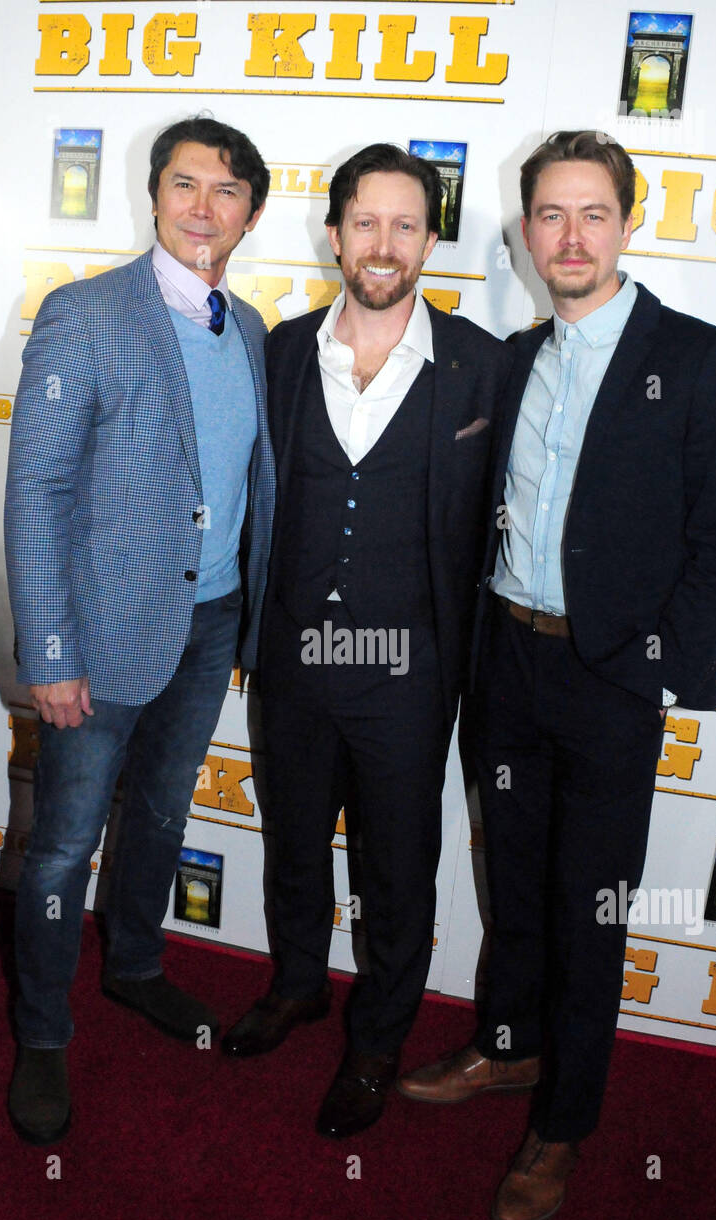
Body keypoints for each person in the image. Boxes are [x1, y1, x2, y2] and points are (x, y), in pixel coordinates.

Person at [398, 130, 716, 1220]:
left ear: (624, 223)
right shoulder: (510, 361)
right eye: (547, 216)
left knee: (587, 907)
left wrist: (651, 664)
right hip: (502, 660)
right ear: (520, 234)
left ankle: (562, 1120)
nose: (567, 235)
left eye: (590, 213)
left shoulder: (701, 360)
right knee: (513, 884)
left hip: (606, 680)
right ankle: (507, 1050)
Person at [222, 144, 510, 1139]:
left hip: (408, 672)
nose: (382, 244)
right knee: (295, 843)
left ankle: (378, 1037)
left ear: (431, 238)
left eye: (404, 224)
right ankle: (298, 983)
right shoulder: (277, 351)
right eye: (364, 222)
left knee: (396, 867)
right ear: (334, 232)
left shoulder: (483, 365)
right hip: (294, 661)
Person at [3, 116, 274, 1144]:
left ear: (250, 210)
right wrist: (54, 653)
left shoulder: (247, 329)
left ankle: (134, 967)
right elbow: (37, 491)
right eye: (184, 184)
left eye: (225, 190)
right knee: (65, 844)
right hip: (101, 638)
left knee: (160, 815)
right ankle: (40, 1031)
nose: (202, 206)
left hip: (207, 627)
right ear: (153, 195)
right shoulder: (83, 314)